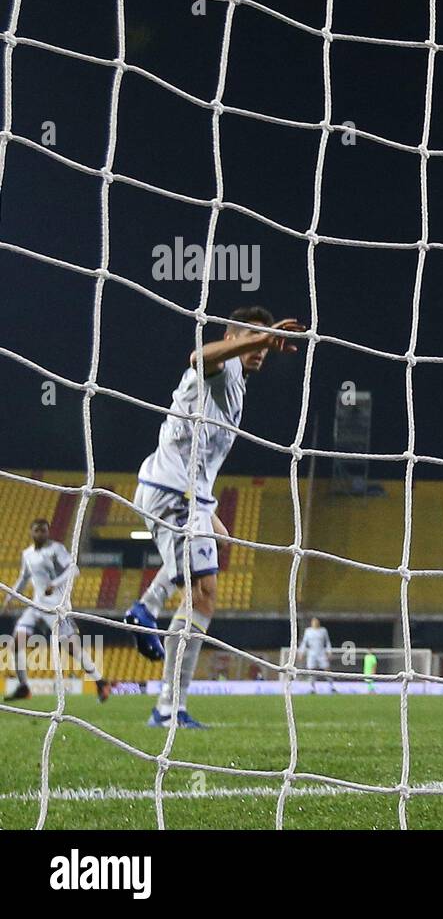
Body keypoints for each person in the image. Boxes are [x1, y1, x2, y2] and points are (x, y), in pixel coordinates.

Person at [126, 306, 302, 729]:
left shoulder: (237, 384)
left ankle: (145, 611)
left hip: (184, 493)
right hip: (173, 491)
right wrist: (259, 337)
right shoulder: (222, 370)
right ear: (234, 336)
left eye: (267, 343)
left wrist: (212, 516)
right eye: (254, 339)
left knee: (220, 545)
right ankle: (169, 708)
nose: (263, 350)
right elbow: (199, 357)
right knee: (203, 596)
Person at [3, 519, 110, 702]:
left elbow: (74, 569)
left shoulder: (56, 549)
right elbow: (24, 577)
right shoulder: (27, 554)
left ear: (48, 532)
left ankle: (100, 681)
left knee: (73, 649)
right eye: (37, 530)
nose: (41, 534)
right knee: (17, 642)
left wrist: (54, 584)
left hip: (56, 606)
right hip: (36, 605)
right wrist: (10, 597)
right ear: (31, 532)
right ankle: (23, 687)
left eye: (44, 531)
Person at [297, 617, 334, 694]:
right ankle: (312, 688)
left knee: (327, 669)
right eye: (313, 622)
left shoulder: (323, 631)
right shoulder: (308, 631)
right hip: (312, 653)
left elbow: (327, 642)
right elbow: (304, 642)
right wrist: (301, 652)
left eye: (316, 621)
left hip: (321, 653)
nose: (315, 623)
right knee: (311, 670)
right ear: (311, 623)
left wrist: (329, 651)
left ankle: (331, 686)